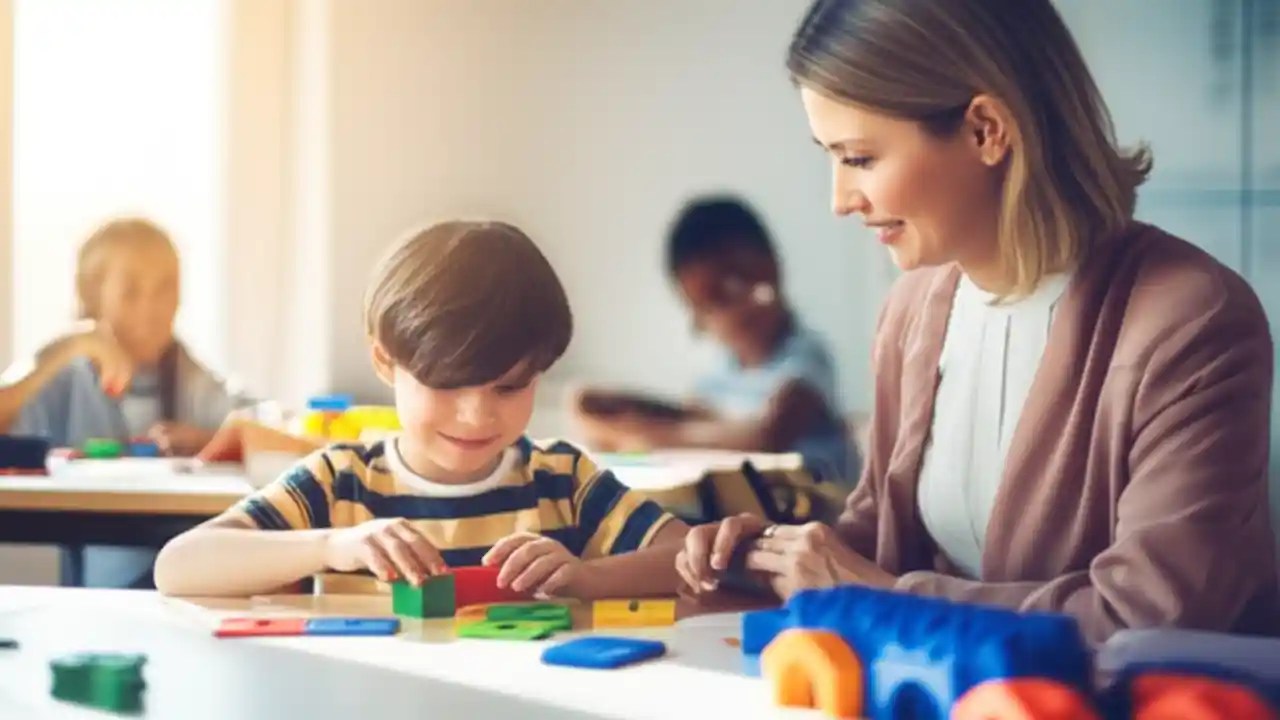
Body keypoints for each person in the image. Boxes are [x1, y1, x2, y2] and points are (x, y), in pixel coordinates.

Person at [676, 0, 1279, 644]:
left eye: (859, 158)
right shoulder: (910, 312)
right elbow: (878, 538)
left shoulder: (1190, 321)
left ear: (985, 130)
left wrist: (881, 595)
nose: (840, 201)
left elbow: (1151, 617)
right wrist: (763, 550)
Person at [154, 221, 689, 598]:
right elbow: (178, 566)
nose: (477, 415)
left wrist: (587, 578)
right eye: (449, 385)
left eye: (510, 387)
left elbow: (687, 558)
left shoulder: (562, 481)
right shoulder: (342, 484)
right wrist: (333, 546)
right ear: (386, 362)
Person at [0, 217, 254, 588]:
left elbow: (270, 426)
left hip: (184, 580)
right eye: (131, 291)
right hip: (104, 591)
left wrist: (212, 440)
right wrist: (65, 346)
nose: (152, 307)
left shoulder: (189, 376)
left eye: (166, 287)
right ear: (92, 296)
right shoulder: (67, 376)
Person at [571, 195, 858, 485]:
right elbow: (694, 415)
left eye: (733, 289)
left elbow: (766, 436)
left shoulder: (804, 358)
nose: (727, 315)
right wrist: (627, 407)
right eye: (706, 306)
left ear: (771, 270)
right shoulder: (718, 377)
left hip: (811, 514)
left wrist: (643, 436)